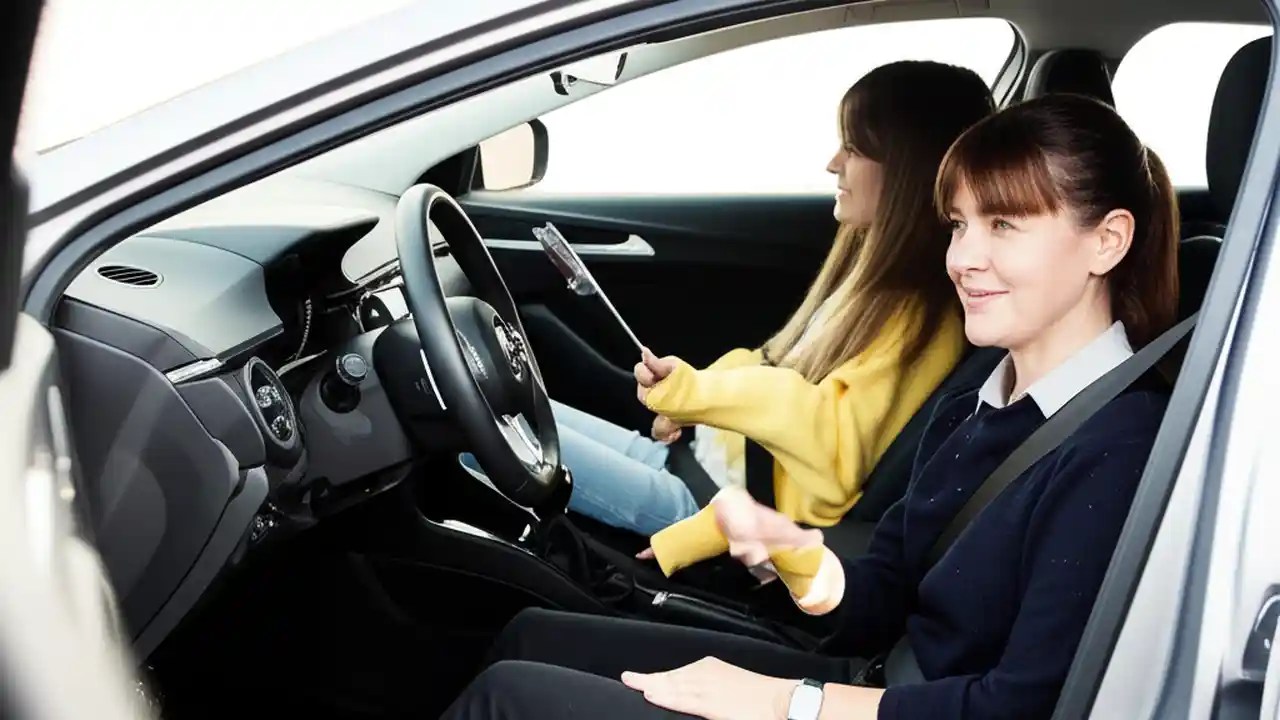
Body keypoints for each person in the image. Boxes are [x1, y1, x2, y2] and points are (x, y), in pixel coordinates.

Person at [439, 92, 1181, 720]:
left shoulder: (1118, 446)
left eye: (1005, 226)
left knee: (506, 697)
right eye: (959, 224)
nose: (962, 256)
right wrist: (796, 556)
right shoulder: (976, 402)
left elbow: (1020, 705)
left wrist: (787, 702)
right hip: (873, 681)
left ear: (1107, 243)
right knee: (533, 636)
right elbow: (880, 598)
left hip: (880, 707)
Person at [468, 60, 994, 565]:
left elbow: (833, 451)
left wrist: (700, 396)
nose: (832, 163)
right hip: (695, 463)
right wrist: (691, 396)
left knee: (472, 432)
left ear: (906, 171)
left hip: (704, 505)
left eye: (852, 149)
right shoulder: (874, 285)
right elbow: (771, 365)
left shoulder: (921, 321)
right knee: (497, 408)